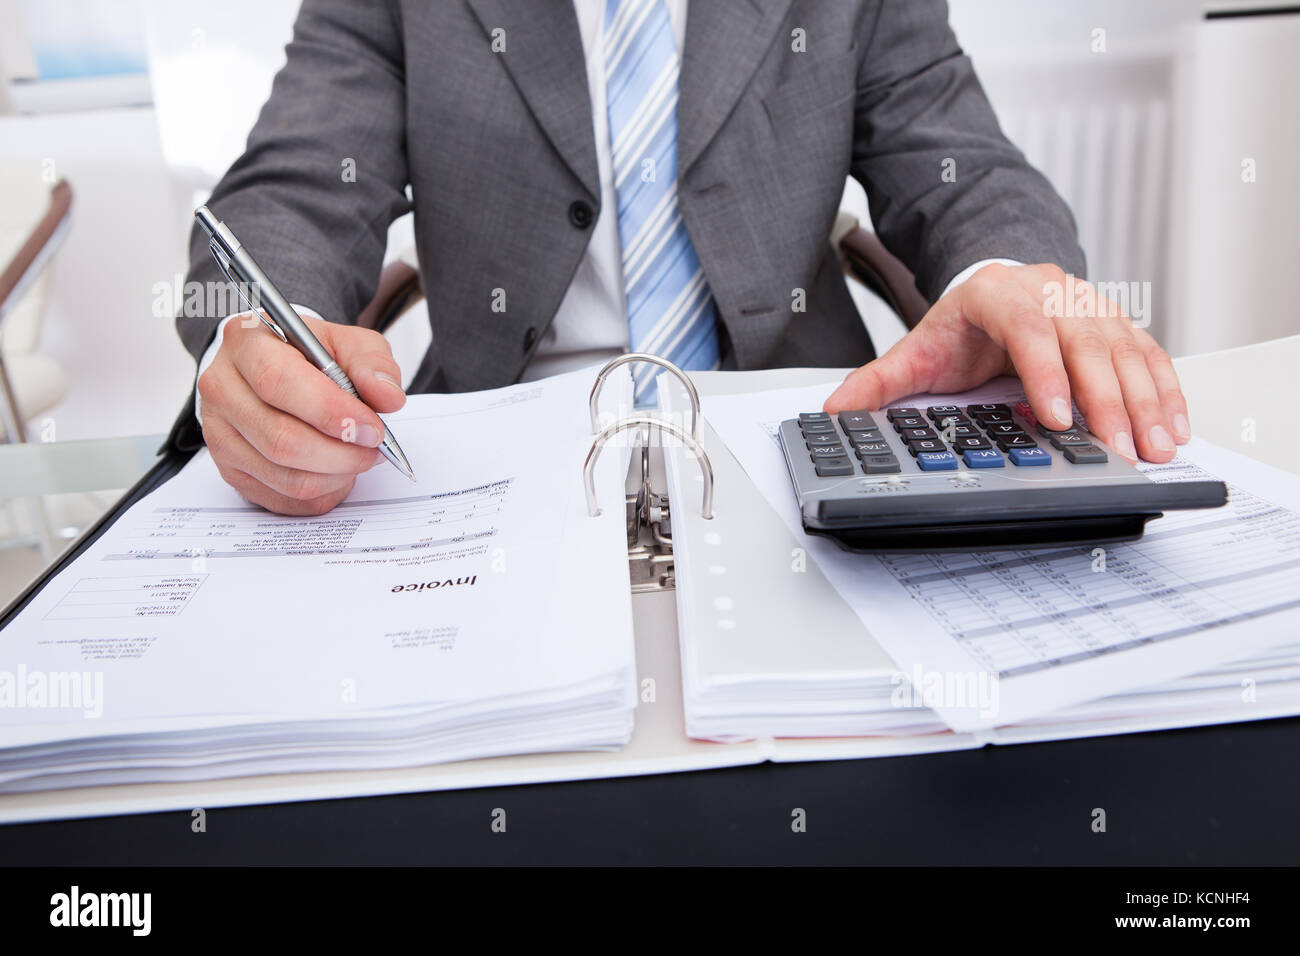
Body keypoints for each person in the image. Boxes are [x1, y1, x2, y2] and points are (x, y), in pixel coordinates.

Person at [173, 0, 1190, 516]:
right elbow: (294, 189)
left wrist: (997, 273)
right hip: (497, 458)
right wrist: (262, 329)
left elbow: (963, 166)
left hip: (790, 434)